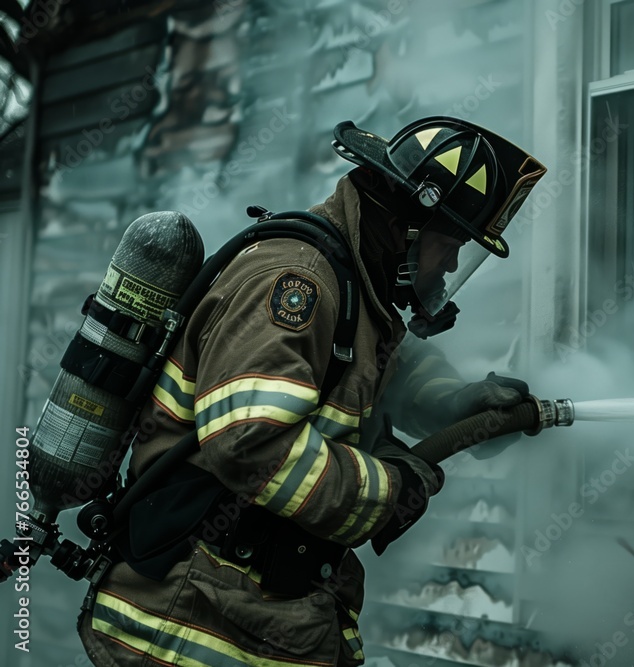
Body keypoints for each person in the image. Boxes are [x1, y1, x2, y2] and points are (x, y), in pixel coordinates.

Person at [77, 116, 546, 666]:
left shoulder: (352, 286)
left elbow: (383, 362)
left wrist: (454, 403)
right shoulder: (297, 284)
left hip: (250, 615)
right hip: (189, 624)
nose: (453, 264)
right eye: (451, 244)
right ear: (408, 226)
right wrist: (389, 491)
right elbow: (252, 445)